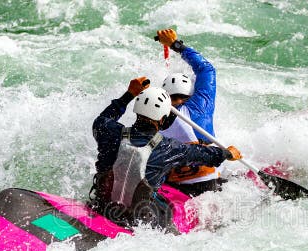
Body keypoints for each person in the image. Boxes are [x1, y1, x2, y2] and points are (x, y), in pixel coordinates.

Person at [89, 78, 242, 231]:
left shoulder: (108, 131)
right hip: (137, 221)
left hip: (102, 205)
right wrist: (226, 153)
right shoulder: (168, 147)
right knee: (167, 210)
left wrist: (129, 94)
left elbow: (102, 119)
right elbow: (200, 154)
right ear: (163, 118)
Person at [156, 28, 225, 197]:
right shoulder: (201, 104)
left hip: (176, 186)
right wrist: (175, 45)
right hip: (211, 185)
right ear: (190, 93)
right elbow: (206, 70)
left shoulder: (154, 115)